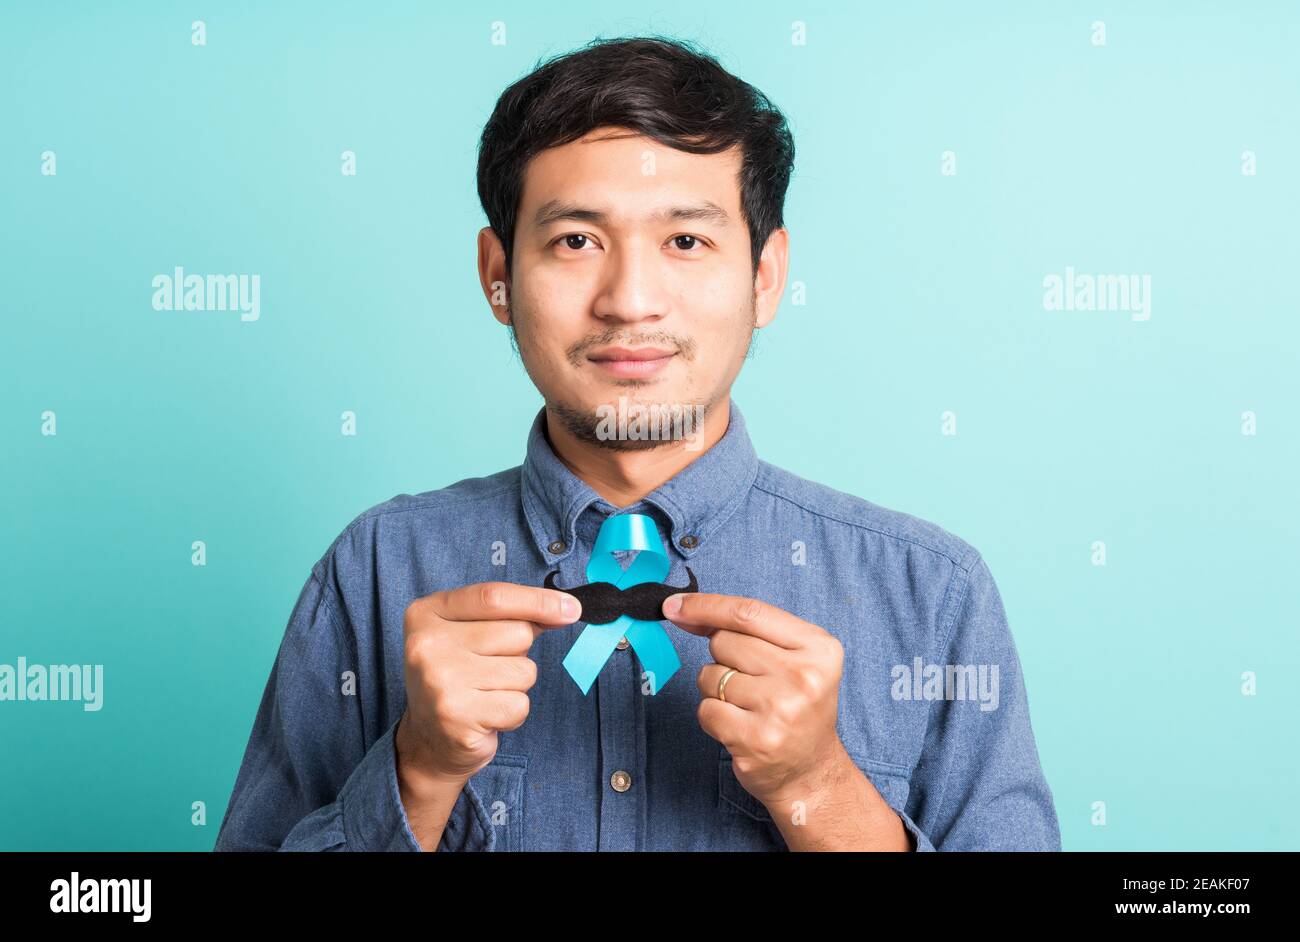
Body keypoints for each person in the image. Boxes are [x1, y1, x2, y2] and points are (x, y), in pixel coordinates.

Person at [214, 35, 1060, 852]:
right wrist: (419, 771)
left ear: (766, 275)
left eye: (686, 241)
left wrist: (823, 788)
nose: (629, 299)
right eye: (575, 241)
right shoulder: (373, 573)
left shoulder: (933, 595)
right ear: (497, 275)